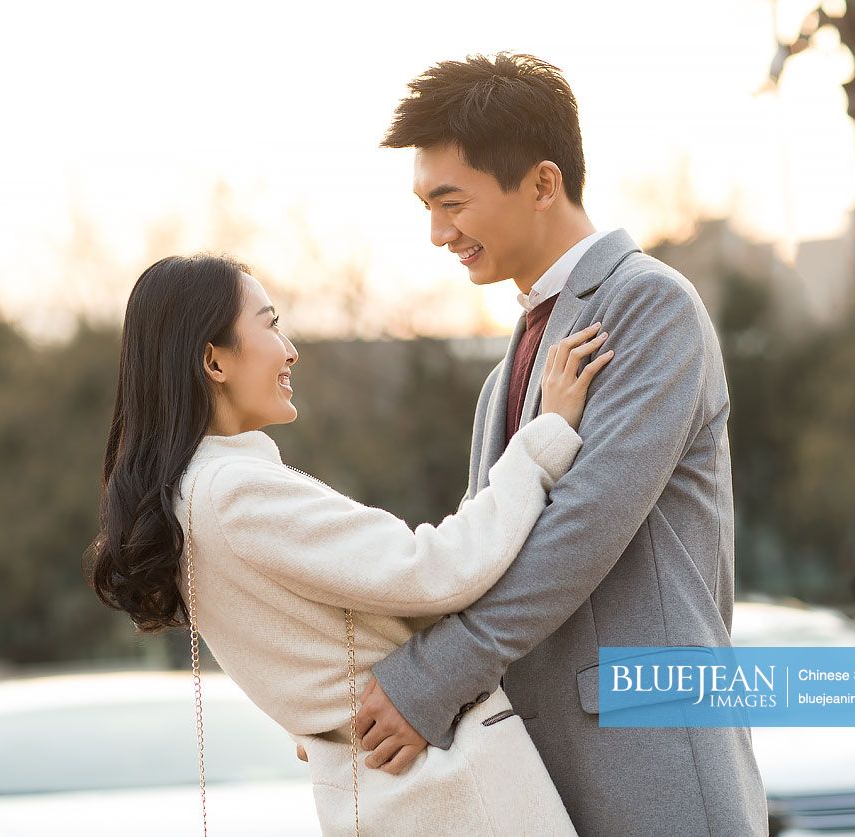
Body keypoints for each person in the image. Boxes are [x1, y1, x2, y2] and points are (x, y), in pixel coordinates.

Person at [353, 53, 770, 836]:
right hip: (543, 776)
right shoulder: (511, 361)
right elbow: (474, 556)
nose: (438, 233)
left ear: (542, 184)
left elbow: (580, 529)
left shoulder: (649, 305)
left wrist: (429, 679)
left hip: (655, 762)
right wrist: (347, 691)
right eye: (426, 207)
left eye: (452, 203)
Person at [88, 253, 613, 835]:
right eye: (269, 324)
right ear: (214, 360)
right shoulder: (235, 492)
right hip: (446, 788)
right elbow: (437, 570)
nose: (289, 351)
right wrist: (546, 438)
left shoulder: (191, 498)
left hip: (378, 790)